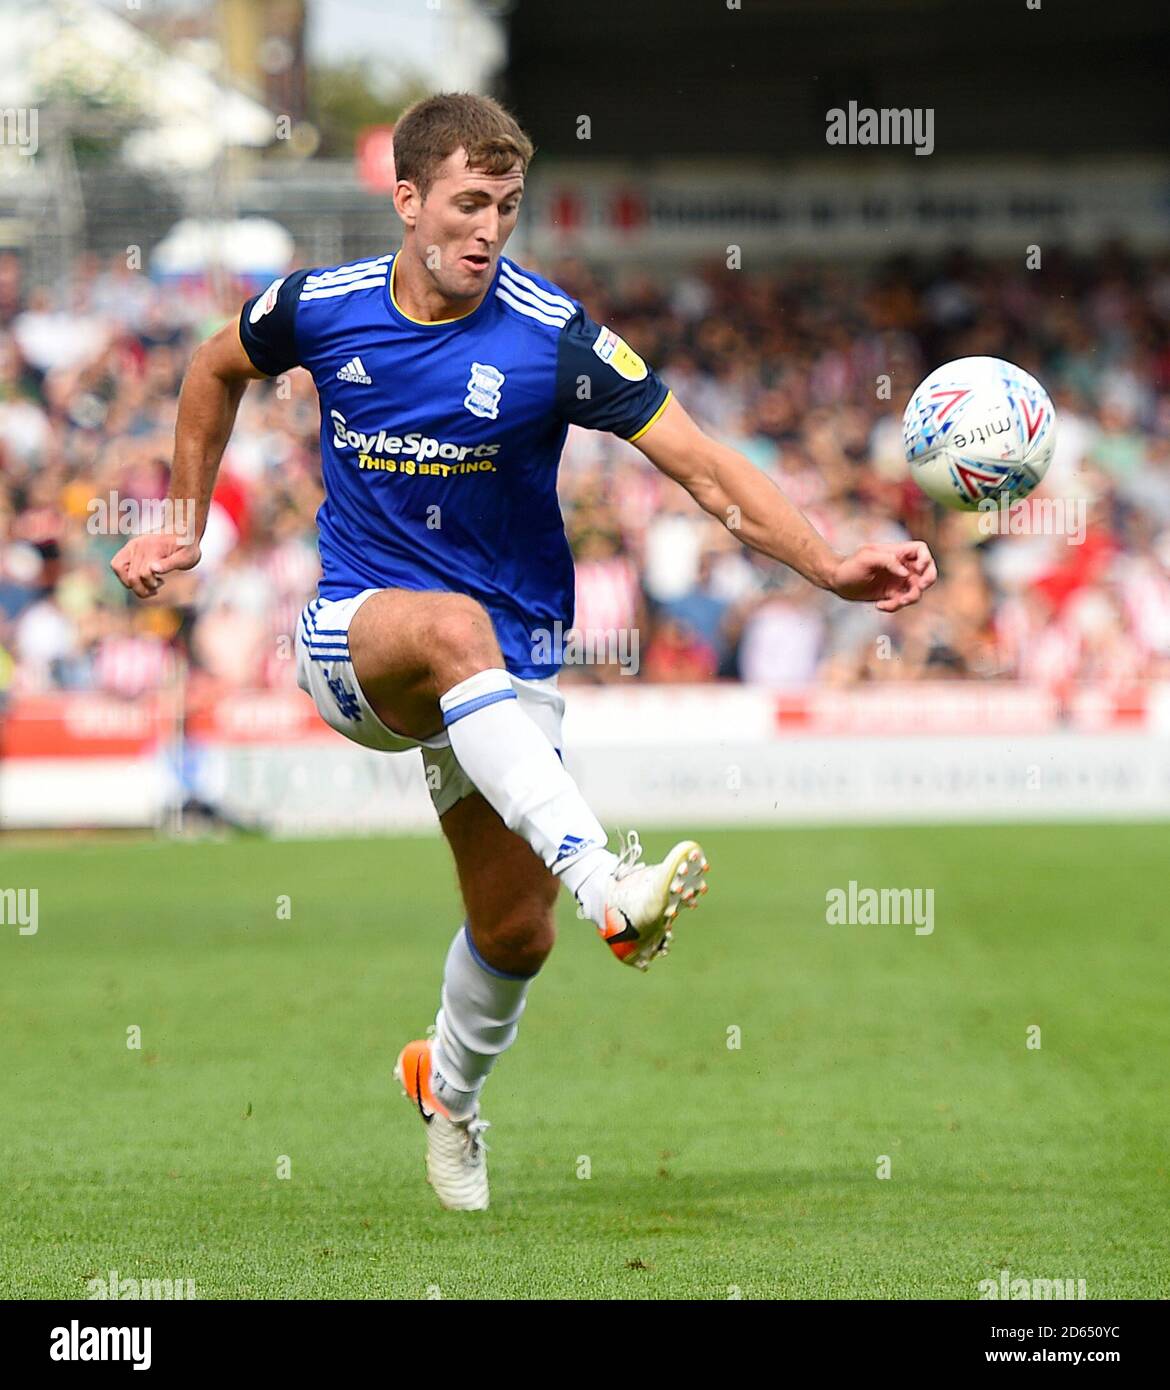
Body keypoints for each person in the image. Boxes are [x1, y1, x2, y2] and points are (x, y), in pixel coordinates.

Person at [111, 93, 937, 1211]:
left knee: (514, 933)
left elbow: (703, 464)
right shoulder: (322, 307)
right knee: (454, 626)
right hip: (357, 640)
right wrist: (187, 518)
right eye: (466, 203)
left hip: (501, 670)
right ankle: (608, 880)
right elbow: (215, 368)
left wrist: (831, 564)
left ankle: (447, 1090)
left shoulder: (556, 339)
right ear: (407, 201)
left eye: (505, 205)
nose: (488, 228)